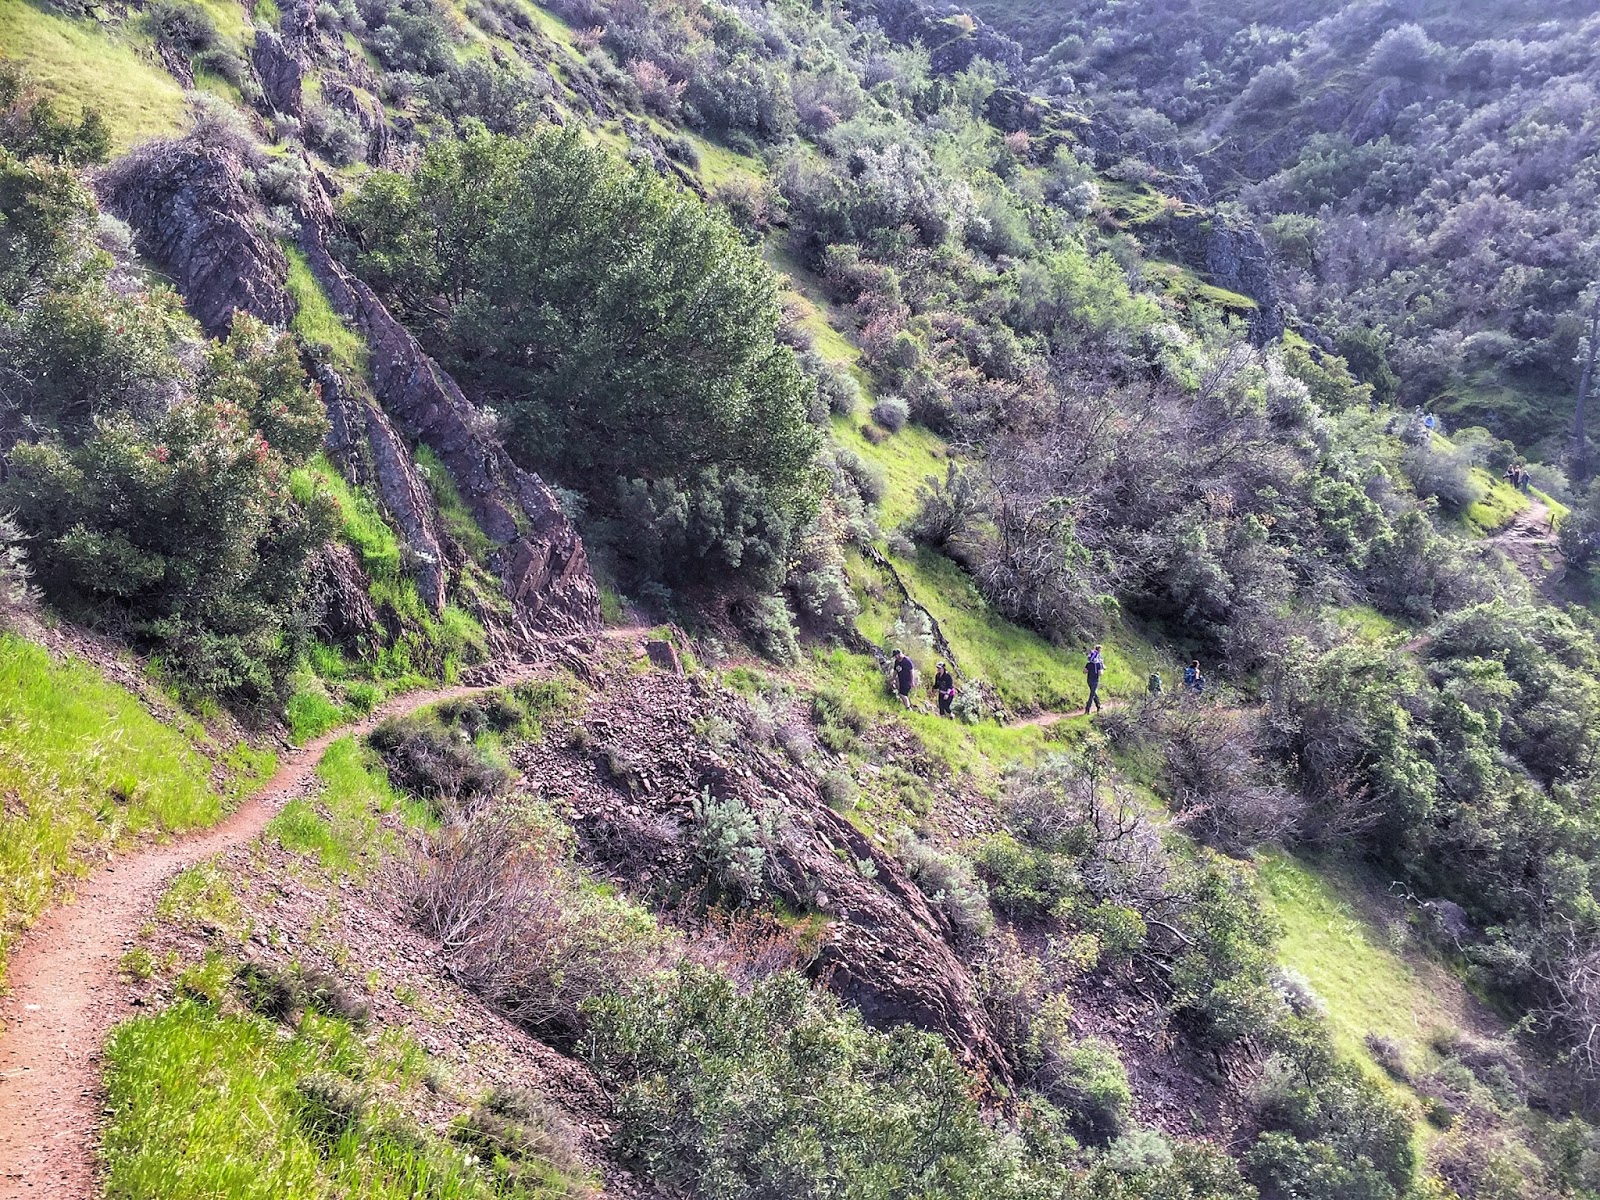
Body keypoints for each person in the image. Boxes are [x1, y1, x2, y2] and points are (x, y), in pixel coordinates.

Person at [1084, 644, 1105, 714]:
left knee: (1094, 693)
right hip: (1095, 681)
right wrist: (1102, 668)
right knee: (1092, 695)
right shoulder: (1098, 664)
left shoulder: (1089, 663)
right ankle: (1087, 709)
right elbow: (1100, 674)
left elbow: (1084, 671)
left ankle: (1098, 706)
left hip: (1089, 680)